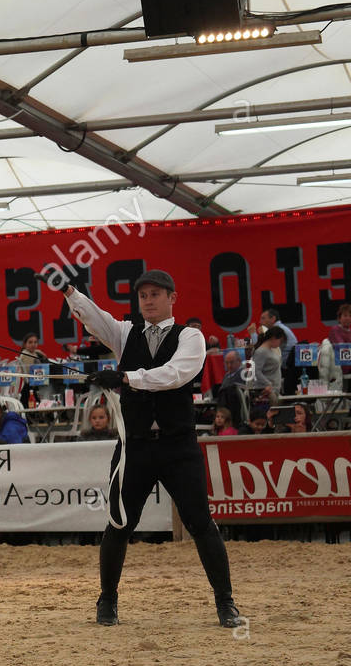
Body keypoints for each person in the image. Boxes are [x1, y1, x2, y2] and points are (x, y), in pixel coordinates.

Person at [47, 268, 241, 629]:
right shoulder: (125, 333)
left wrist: (124, 377)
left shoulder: (191, 337)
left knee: (201, 522)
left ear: (172, 298)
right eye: (143, 296)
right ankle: (107, 601)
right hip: (135, 446)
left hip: (178, 446)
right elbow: (95, 318)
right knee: (118, 523)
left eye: (155, 294)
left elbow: (175, 374)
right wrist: (69, 291)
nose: (148, 301)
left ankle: (225, 601)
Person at [249, 328, 285, 400]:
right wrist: (268, 384)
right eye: (280, 341)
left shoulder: (270, 350)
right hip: (267, 391)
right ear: (274, 338)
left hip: (273, 390)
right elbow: (256, 371)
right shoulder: (261, 352)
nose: (280, 343)